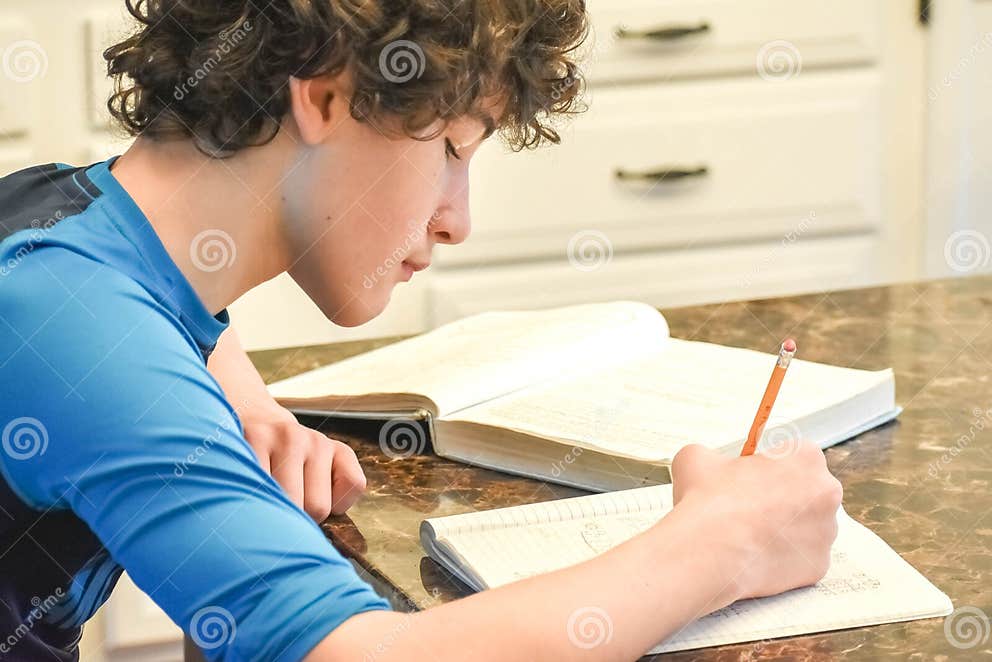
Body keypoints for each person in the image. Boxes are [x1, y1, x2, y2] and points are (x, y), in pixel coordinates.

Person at [0, 1, 843, 660]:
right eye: (453, 150)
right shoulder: (77, 329)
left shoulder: (59, 225)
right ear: (326, 95)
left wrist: (239, 397)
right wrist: (724, 543)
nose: (456, 221)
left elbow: (141, 302)